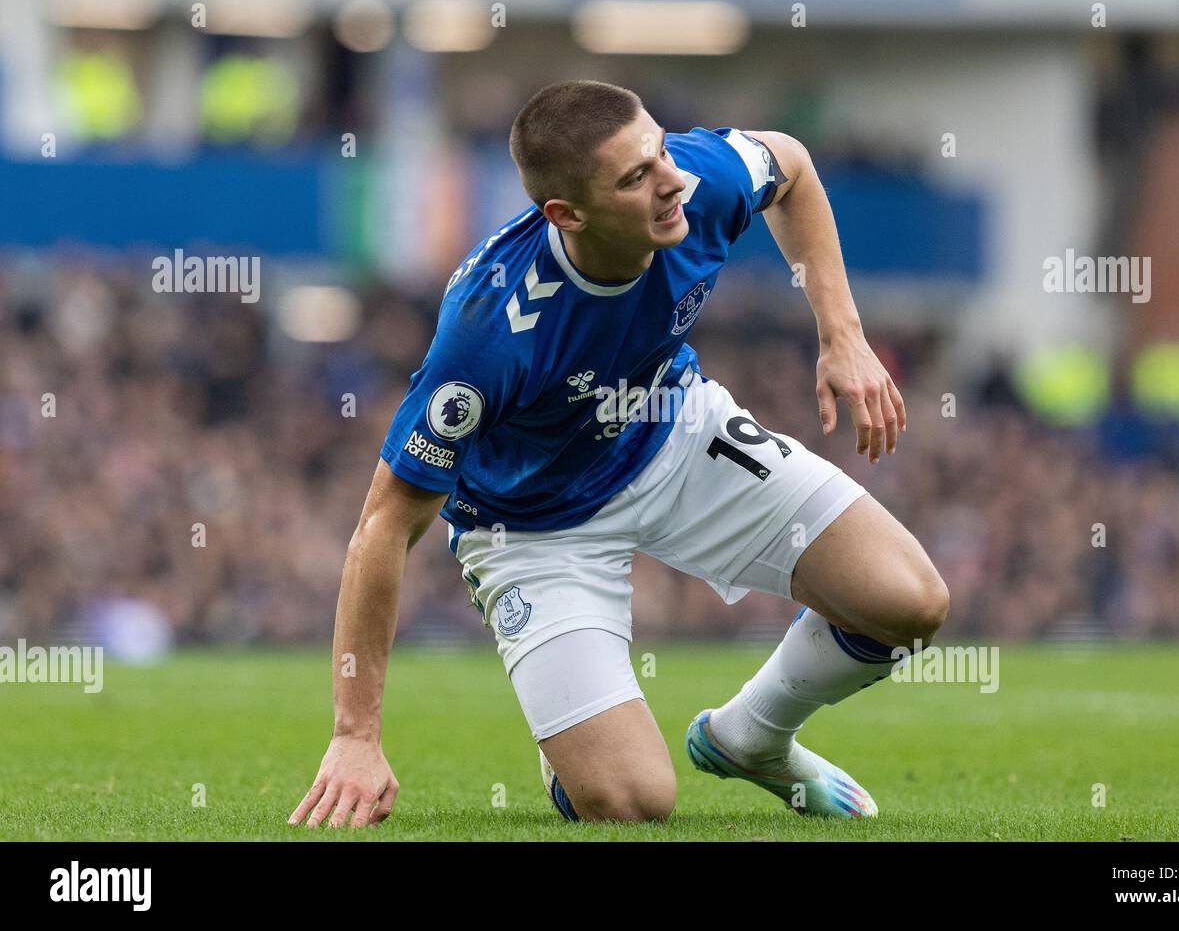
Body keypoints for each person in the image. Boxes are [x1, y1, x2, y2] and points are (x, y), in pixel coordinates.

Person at [289, 80, 948, 827]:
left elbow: (789, 166)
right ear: (567, 215)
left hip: (676, 429)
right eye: (635, 178)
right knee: (634, 802)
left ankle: (751, 736)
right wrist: (354, 735)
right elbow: (384, 524)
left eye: (660, 150)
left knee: (910, 603)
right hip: (534, 526)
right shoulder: (489, 334)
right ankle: (577, 752)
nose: (670, 181)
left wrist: (842, 333)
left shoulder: (694, 185)